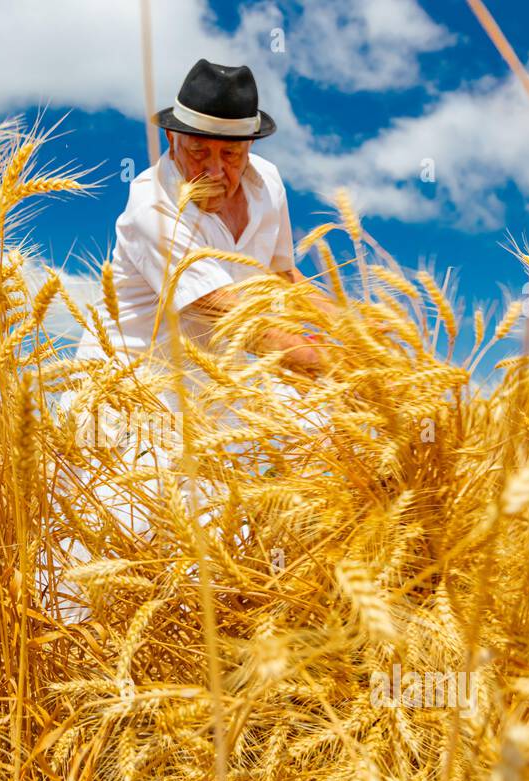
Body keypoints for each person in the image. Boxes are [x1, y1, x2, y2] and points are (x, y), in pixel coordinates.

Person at [40, 58, 334, 623]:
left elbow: (279, 276)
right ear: (172, 136)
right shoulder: (153, 206)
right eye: (199, 150)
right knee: (105, 562)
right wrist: (346, 369)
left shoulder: (267, 183)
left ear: (250, 143)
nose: (215, 169)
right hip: (133, 402)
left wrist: (360, 328)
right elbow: (229, 313)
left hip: (213, 396)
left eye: (231, 152)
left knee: (214, 566)